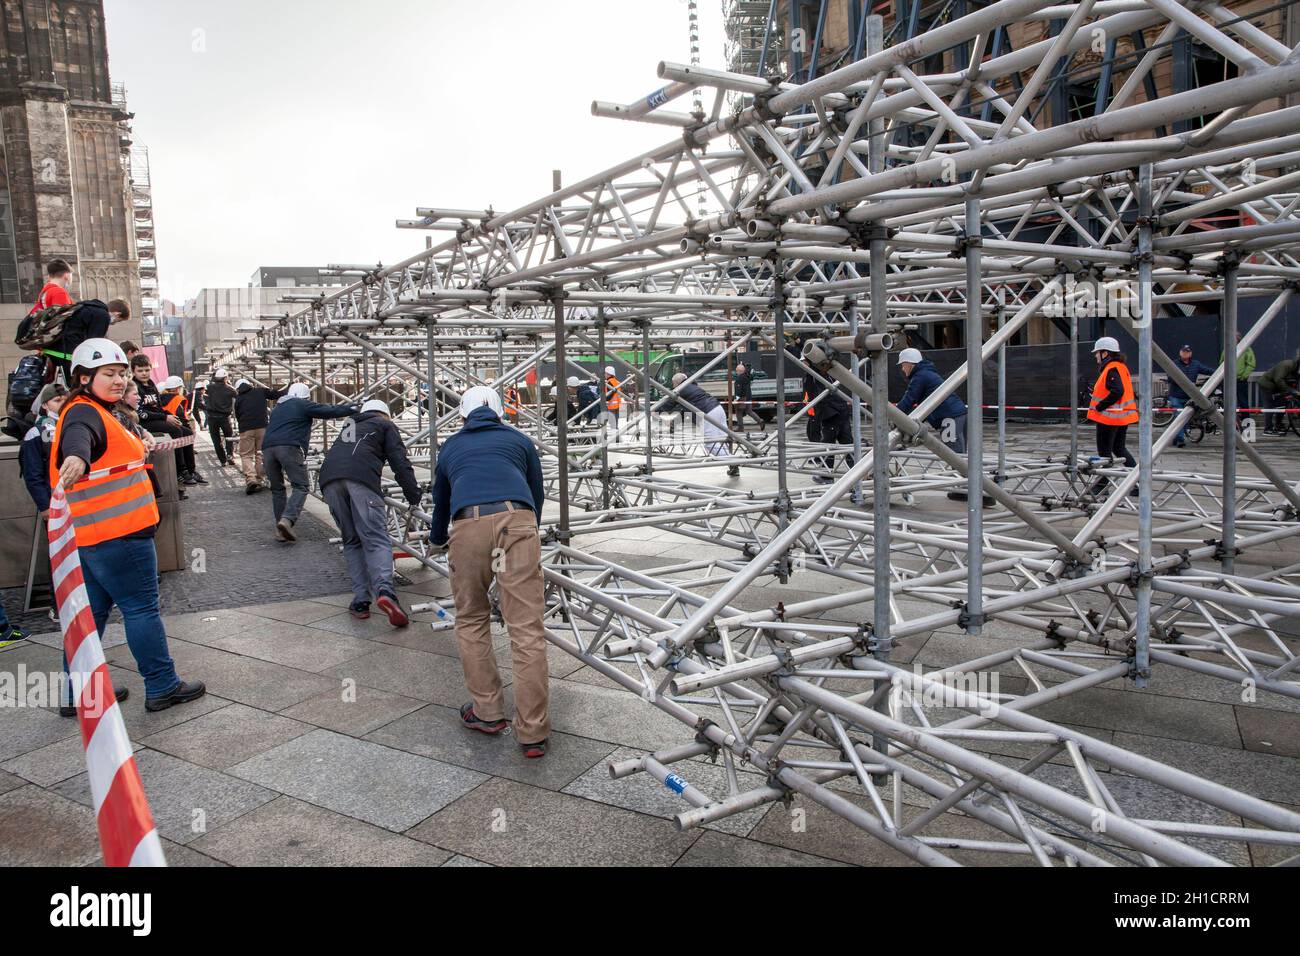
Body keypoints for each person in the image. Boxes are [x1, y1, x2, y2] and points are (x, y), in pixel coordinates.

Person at [50, 338, 204, 713]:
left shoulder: (98, 410)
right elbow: (78, 440)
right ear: (84, 378)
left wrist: (141, 436)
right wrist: (76, 457)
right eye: (109, 374)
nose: (118, 380)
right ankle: (162, 684)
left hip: (91, 536)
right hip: (121, 534)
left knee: (93, 615)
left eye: (121, 373)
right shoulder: (84, 414)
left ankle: (78, 693)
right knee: (141, 610)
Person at [429, 386, 549, 759]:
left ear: (462, 417)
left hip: (469, 525)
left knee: (472, 618)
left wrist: (437, 540)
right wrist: (526, 531)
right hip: (518, 520)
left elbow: (441, 501)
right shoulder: (519, 440)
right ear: (500, 414)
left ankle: (488, 713)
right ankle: (532, 732)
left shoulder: (450, 446)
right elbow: (536, 491)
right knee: (526, 627)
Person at [318, 398, 422, 626]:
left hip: (328, 481)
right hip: (361, 480)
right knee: (376, 539)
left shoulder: (349, 424)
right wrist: (414, 496)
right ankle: (385, 591)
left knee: (352, 540)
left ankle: (360, 601)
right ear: (384, 414)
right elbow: (400, 462)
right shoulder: (385, 425)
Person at [262, 382, 356, 542]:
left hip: (267, 449)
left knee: (277, 489)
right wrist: (353, 408)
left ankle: (281, 527)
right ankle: (287, 520)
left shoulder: (278, 407)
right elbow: (328, 411)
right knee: (301, 486)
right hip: (289, 447)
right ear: (305, 396)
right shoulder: (300, 404)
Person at [895, 346, 982, 502]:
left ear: (910, 363)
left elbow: (909, 399)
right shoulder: (928, 373)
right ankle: (968, 489)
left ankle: (976, 492)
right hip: (958, 413)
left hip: (949, 417)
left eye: (903, 364)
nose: (902, 368)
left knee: (954, 455)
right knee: (960, 454)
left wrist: (892, 414)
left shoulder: (920, 376)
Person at [131, 355, 202, 489]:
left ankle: (191, 470)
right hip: (144, 422)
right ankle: (181, 471)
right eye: (140, 371)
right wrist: (164, 418)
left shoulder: (151, 384)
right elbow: (140, 413)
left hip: (156, 417)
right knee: (176, 431)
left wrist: (170, 416)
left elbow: (158, 407)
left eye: (146, 370)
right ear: (134, 371)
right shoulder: (135, 387)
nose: (144, 373)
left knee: (186, 431)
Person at [1086, 336, 1138, 496]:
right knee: (1119, 449)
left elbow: (1117, 391)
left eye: (1097, 353)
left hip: (1109, 418)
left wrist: (1100, 406)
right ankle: (1137, 482)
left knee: (1105, 453)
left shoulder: (1112, 369)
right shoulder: (1120, 367)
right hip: (1120, 417)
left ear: (1105, 353)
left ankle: (1102, 485)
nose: (1095, 356)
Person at [667, 372, 739, 477]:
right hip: (717, 408)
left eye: (673, 384)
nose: (673, 387)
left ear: (676, 383)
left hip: (708, 412)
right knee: (722, 439)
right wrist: (674, 420)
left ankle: (733, 462)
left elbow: (669, 403)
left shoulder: (681, 389)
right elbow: (686, 409)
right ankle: (732, 465)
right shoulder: (692, 387)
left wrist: (655, 410)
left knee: (710, 443)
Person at [52, 298, 130, 384]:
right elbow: (95, 343)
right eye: (118, 321)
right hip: (68, 353)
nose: (114, 323)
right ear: (118, 314)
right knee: (75, 385)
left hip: (56, 348)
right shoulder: (103, 315)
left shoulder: (87, 308)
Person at [20, 384, 67, 516]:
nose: (63, 404)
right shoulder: (38, 432)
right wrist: (44, 505)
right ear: (45, 405)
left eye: (65, 400)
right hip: (55, 501)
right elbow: (32, 473)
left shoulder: (76, 424)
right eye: (57, 400)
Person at [234, 378, 287, 494]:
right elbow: (276, 395)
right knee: (260, 453)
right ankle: (260, 479)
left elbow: (237, 415)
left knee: (246, 455)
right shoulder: (260, 391)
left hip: (246, 429)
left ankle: (251, 479)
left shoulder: (238, 399)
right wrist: (290, 387)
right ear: (250, 385)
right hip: (262, 427)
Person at [158, 374, 205, 486]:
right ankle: (189, 471)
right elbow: (181, 417)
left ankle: (183, 474)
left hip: (164, 428)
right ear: (177, 388)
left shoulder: (160, 399)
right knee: (186, 440)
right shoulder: (179, 399)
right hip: (177, 428)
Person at [1167, 344, 1215, 448]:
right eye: (1184, 351)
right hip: (1176, 395)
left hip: (1190, 396)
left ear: (1190, 354)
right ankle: (1180, 439)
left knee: (1187, 417)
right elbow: (1170, 377)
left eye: (1187, 352)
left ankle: (1177, 436)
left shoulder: (1195, 364)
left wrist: (1220, 372)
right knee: (1179, 416)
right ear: (1180, 353)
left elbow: (1207, 370)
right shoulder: (1174, 364)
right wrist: (1183, 382)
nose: (1185, 353)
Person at [1258, 353, 1300, 435]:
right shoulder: (1287, 365)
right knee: (1269, 407)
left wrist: (1294, 392)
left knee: (1283, 404)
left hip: (1279, 387)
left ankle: (1278, 424)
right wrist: (1291, 391)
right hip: (1267, 385)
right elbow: (1278, 380)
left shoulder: (1296, 370)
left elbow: (1295, 383)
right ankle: (1268, 429)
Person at [1219, 331, 1255, 425]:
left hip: (1240, 380)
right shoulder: (1226, 349)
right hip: (1227, 380)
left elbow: (1251, 364)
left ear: (1238, 339)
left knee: (1243, 402)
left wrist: (1243, 376)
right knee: (1227, 402)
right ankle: (1229, 423)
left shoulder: (1246, 349)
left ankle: (1246, 423)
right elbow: (1221, 363)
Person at [204, 368, 236, 466]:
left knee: (216, 440)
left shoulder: (209, 388)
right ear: (225, 378)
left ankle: (222, 460)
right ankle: (230, 455)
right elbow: (240, 398)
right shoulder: (230, 389)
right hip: (225, 418)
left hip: (211, 418)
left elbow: (202, 398)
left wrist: (207, 407)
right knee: (229, 437)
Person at [733, 362, 761, 429]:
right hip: (748, 396)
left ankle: (740, 427)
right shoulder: (747, 376)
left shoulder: (739, 379)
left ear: (739, 371)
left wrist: (736, 399)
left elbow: (738, 390)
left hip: (742, 398)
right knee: (749, 411)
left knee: (738, 412)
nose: (736, 372)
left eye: (736, 370)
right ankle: (760, 421)